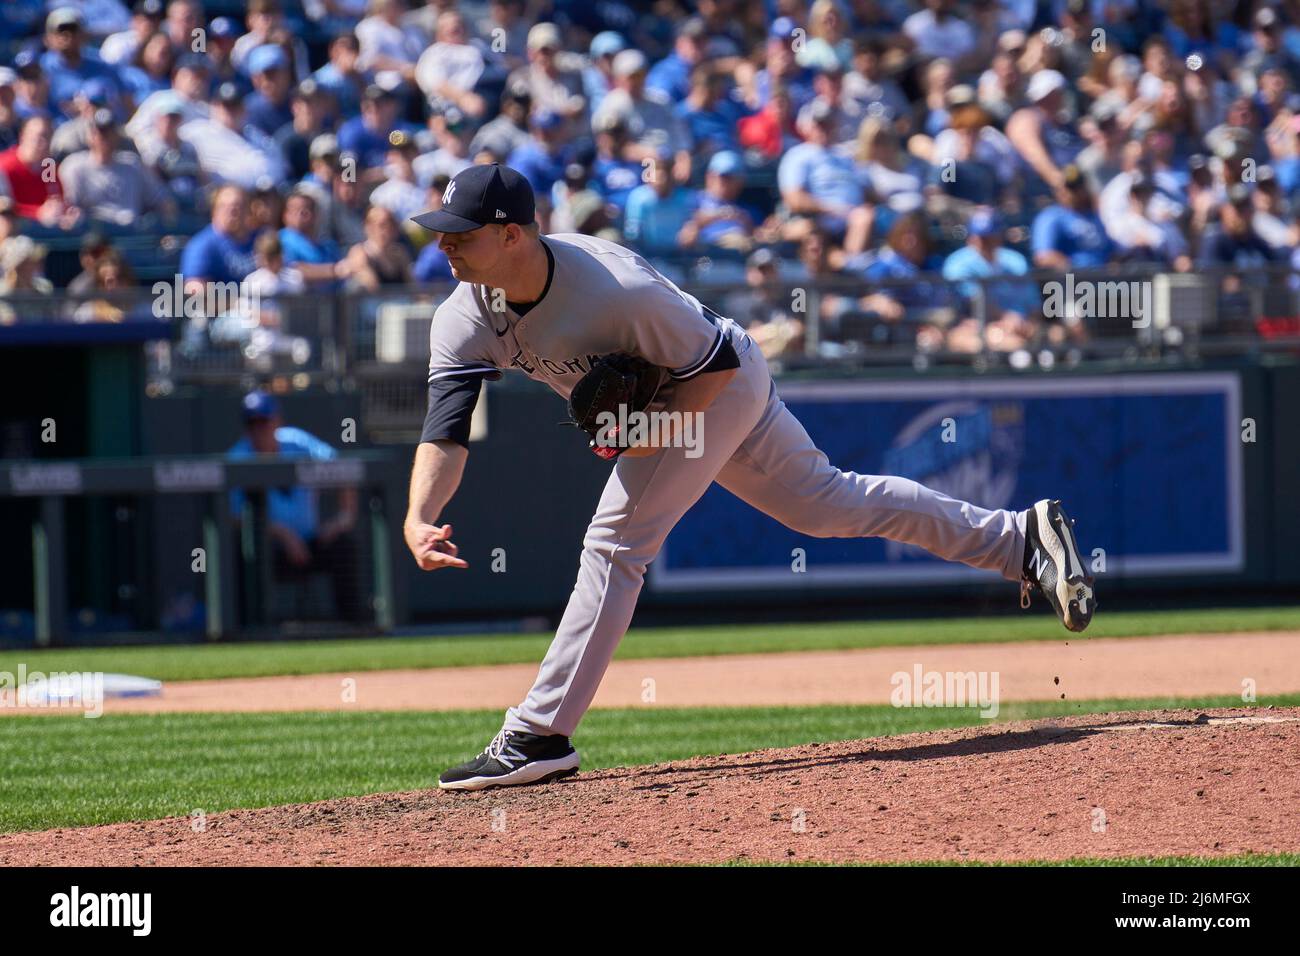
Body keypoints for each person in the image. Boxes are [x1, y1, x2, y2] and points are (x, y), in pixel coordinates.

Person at [405, 164, 1097, 791]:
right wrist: (419, 515)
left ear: (513, 235)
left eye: (461, 233)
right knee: (827, 505)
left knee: (617, 544)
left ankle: (539, 733)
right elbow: (447, 427)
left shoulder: (616, 290)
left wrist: (645, 435)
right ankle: (1019, 542)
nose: (444, 245)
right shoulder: (462, 315)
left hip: (717, 380)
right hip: (699, 386)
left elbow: (715, 371)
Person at [228, 391, 362, 621]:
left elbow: (342, 469)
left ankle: (354, 627)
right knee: (245, 553)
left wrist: (343, 519)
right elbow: (235, 516)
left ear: (276, 420)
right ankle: (253, 628)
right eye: (252, 423)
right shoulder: (238, 457)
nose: (259, 429)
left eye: (264, 421)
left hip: (311, 541)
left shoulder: (296, 441)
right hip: (269, 547)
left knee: (343, 547)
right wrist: (281, 534)